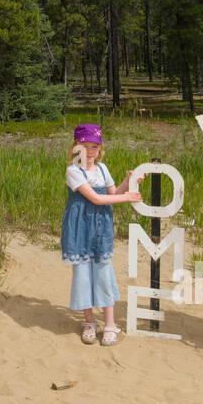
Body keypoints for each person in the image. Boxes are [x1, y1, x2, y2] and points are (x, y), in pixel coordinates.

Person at [61, 123, 142, 346]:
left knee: (104, 273)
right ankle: (89, 321)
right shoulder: (74, 171)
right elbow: (96, 199)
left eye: (95, 147)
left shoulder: (103, 169)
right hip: (80, 228)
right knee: (83, 274)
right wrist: (128, 198)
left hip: (101, 228)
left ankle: (109, 323)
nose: (90, 152)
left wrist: (129, 182)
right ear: (75, 147)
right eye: (85, 146)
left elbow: (113, 193)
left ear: (100, 148)